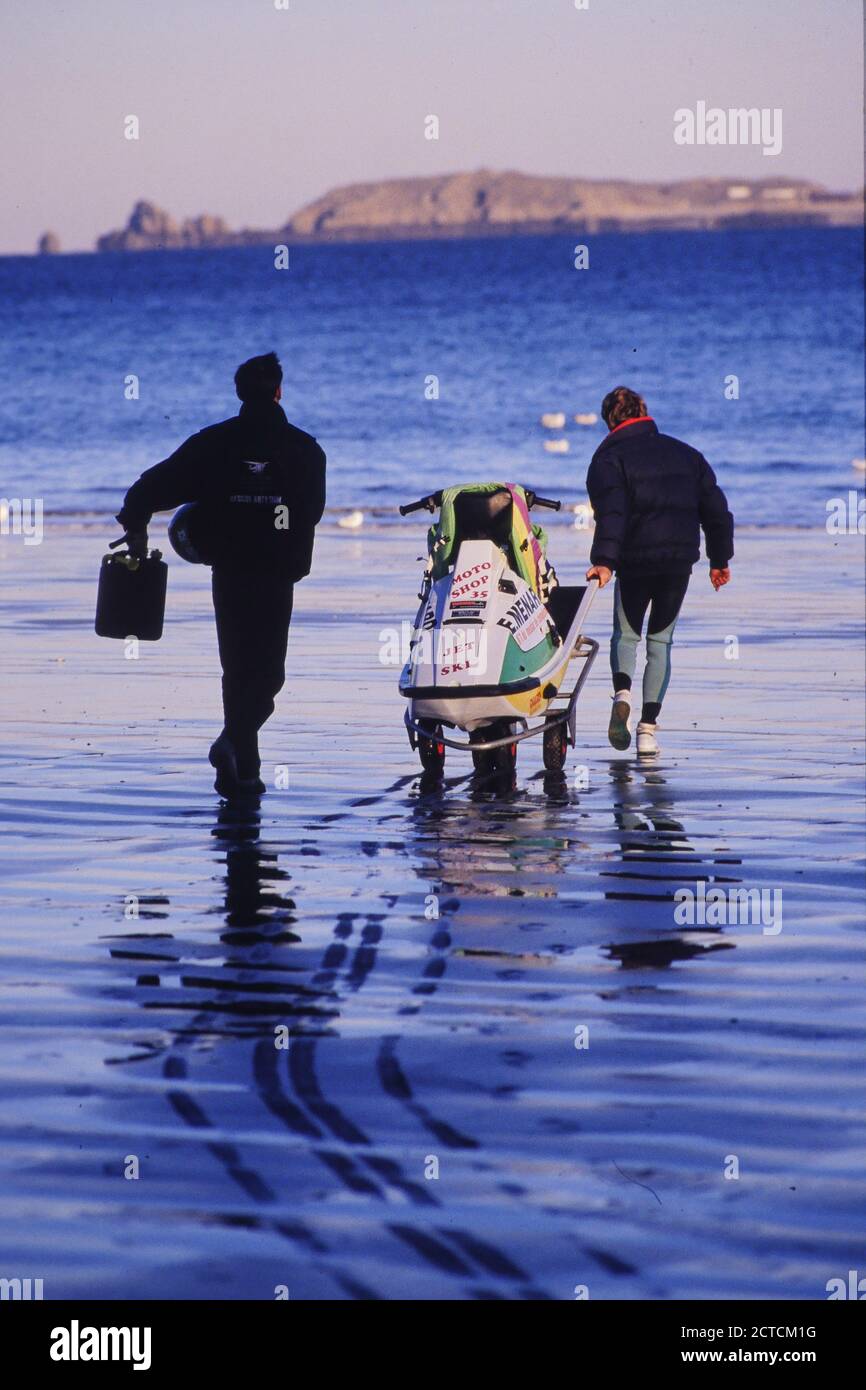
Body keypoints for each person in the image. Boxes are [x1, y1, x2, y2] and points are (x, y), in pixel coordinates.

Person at [116, 352, 326, 797]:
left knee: (236, 670)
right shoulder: (305, 450)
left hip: (230, 571)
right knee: (269, 674)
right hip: (274, 574)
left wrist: (136, 523)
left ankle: (240, 769)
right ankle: (235, 753)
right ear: (279, 391)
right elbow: (310, 513)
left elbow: (152, 486)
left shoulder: (212, 445)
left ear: (238, 393)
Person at [585, 385, 733, 756]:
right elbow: (716, 511)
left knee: (626, 635)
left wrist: (604, 561)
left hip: (634, 561)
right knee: (661, 641)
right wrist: (719, 560)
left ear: (608, 421)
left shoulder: (609, 460)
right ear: (644, 410)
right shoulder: (687, 454)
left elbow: (613, 514)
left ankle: (622, 693)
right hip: (678, 561)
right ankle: (648, 732)